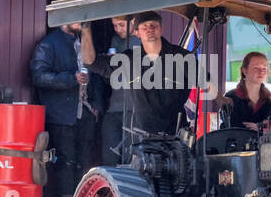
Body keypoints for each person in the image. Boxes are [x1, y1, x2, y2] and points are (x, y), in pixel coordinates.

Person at [86, 10, 221, 146]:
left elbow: (205, 80)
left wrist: (222, 100)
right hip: (142, 141)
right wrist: (86, 29)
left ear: (161, 29)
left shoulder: (182, 57)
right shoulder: (129, 59)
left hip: (176, 139)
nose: (149, 29)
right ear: (137, 32)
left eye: (153, 25)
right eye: (144, 26)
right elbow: (91, 62)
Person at [29, 17, 97, 197]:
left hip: (84, 113)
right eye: (75, 16)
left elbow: (98, 73)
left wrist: (97, 106)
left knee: (83, 163)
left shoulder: (83, 41)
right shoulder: (48, 44)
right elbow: (39, 77)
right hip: (60, 115)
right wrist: (71, 79)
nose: (81, 21)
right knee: (65, 164)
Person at [80, 16, 132, 165]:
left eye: (121, 25)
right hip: (114, 107)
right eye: (115, 26)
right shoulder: (115, 40)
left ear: (133, 22)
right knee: (109, 157)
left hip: (135, 109)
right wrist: (111, 67)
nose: (118, 29)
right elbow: (108, 81)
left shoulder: (142, 42)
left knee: (131, 158)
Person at [224, 52, 271, 132]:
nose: (261, 72)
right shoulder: (231, 97)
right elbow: (231, 126)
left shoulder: (270, 99)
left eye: (264, 68)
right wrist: (260, 126)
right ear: (244, 71)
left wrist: (259, 127)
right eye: (256, 68)